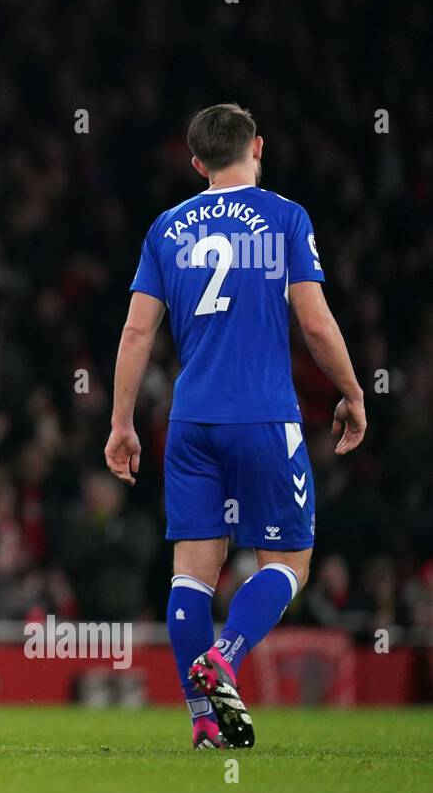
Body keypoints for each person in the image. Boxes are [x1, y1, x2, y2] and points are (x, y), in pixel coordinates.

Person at [104, 103, 366, 749]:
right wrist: (353, 390)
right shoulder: (284, 217)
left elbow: (138, 330)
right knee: (288, 563)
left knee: (191, 574)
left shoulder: (166, 228)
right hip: (263, 414)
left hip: (190, 423)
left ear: (196, 163)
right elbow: (315, 321)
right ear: (258, 147)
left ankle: (201, 719)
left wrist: (121, 422)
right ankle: (226, 655)